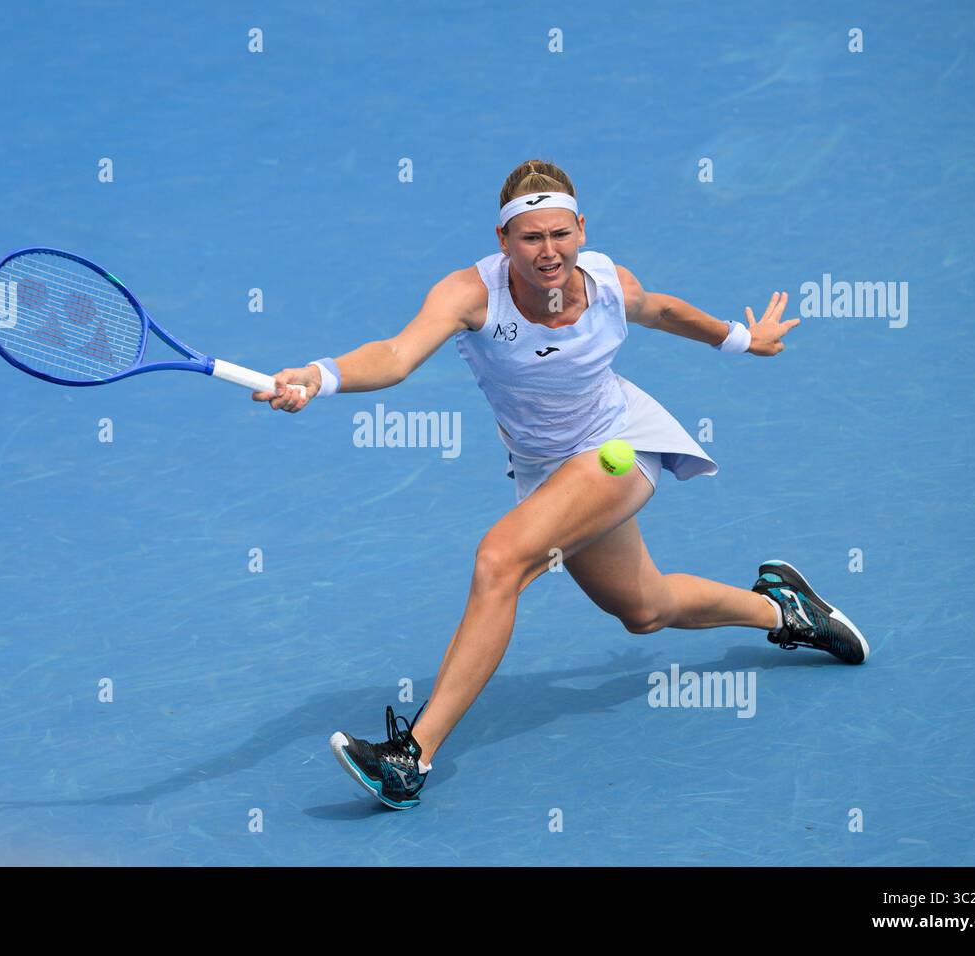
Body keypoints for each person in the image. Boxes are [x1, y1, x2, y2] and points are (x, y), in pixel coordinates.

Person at [252, 159, 869, 810]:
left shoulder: (608, 284)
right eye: (530, 237)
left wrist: (743, 339)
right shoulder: (470, 295)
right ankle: (785, 609)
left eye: (559, 235)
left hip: (616, 450)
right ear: (503, 240)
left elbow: (660, 309)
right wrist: (322, 375)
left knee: (500, 559)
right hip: (548, 470)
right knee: (645, 610)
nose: (548, 252)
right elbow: (397, 355)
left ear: (580, 230)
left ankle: (412, 757)